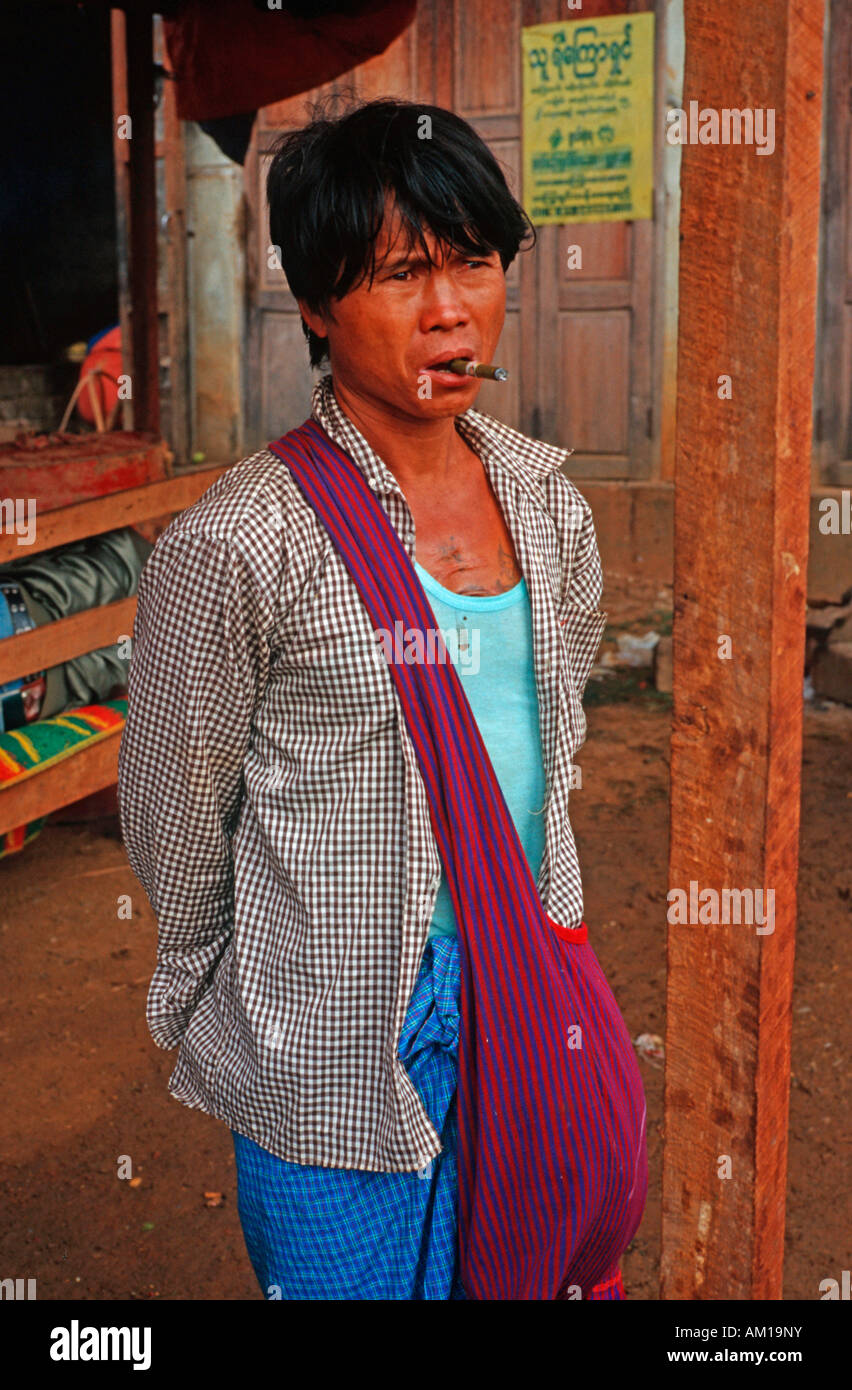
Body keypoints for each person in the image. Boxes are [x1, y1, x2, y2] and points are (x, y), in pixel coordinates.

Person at [117, 97, 646, 1301]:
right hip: (331, 1027)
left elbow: (551, 748)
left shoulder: (550, 509)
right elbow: (175, 818)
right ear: (315, 303)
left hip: (527, 984)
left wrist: (536, 941)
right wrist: (241, 1011)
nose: (450, 308)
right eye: (403, 274)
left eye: (473, 261)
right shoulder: (242, 543)